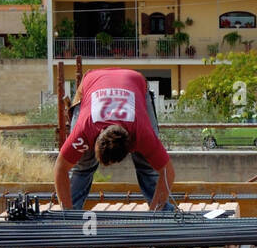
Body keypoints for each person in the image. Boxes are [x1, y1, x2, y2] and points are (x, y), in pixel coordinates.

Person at [53, 68, 176, 211]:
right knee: (83, 165)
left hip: (135, 81)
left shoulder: (142, 134)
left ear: (131, 146)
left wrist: (156, 212)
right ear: (95, 140)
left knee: (147, 165)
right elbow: (60, 168)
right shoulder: (84, 131)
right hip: (93, 80)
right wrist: (67, 214)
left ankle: (161, 210)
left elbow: (168, 172)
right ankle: (70, 210)